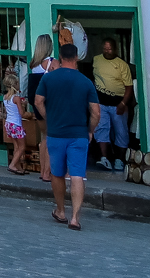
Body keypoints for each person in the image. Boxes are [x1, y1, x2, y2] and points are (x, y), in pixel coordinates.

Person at [35, 43, 100, 231]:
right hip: (78, 134)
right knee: (77, 174)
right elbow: (96, 113)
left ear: (60, 58)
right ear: (77, 58)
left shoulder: (49, 79)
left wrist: (49, 117)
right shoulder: (86, 81)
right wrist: (90, 131)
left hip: (56, 133)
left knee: (57, 173)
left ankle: (61, 210)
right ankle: (75, 217)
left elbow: (38, 101)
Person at [92, 36, 135, 172]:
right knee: (101, 129)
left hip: (118, 103)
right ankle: (104, 158)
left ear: (115, 49)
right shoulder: (96, 60)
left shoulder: (122, 65)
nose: (107, 51)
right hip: (101, 102)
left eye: (109, 49)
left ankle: (119, 160)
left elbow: (129, 87)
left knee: (121, 131)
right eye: (105, 48)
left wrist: (123, 103)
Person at [28, 34, 58, 183]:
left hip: (36, 105)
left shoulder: (34, 64)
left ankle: (42, 171)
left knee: (44, 138)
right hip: (48, 105)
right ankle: (47, 172)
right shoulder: (52, 63)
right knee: (50, 138)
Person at [2, 71, 28, 174]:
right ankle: (12, 165)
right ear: (15, 85)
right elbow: (21, 113)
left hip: (8, 123)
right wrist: (23, 105)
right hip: (16, 124)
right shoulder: (16, 98)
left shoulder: (5, 97)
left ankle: (18, 167)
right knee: (22, 147)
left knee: (16, 146)